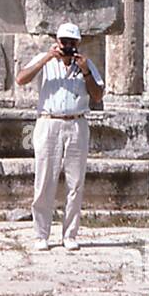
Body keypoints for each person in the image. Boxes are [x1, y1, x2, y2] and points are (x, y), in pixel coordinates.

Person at [14, 22, 105, 252]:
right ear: (57, 41)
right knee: (44, 179)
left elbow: (97, 96)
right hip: (49, 122)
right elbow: (21, 79)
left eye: (72, 43)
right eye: (64, 42)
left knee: (76, 182)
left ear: (78, 44)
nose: (67, 47)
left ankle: (70, 234)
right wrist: (47, 58)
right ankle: (41, 234)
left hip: (76, 123)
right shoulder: (45, 61)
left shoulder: (86, 64)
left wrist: (85, 71)